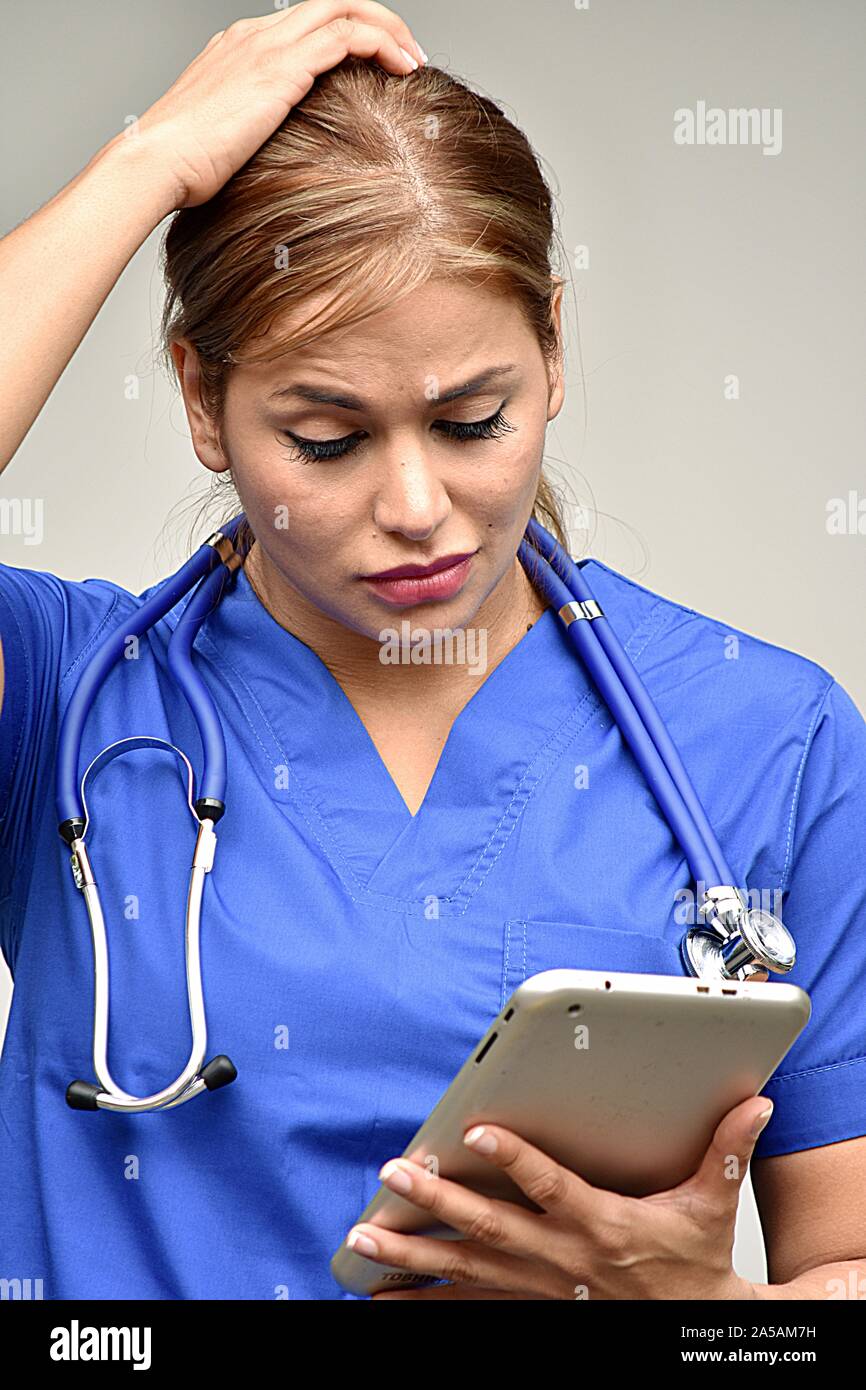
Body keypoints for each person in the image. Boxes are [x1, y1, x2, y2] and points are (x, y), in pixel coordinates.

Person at [1, 2, 865, 1303]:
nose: (415, 503)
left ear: (554, 352)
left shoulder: (765, 735)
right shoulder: (70, 697)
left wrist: (700, 1311)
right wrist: (148, 161)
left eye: (473, 418)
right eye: (328, 437)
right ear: (199, 397)